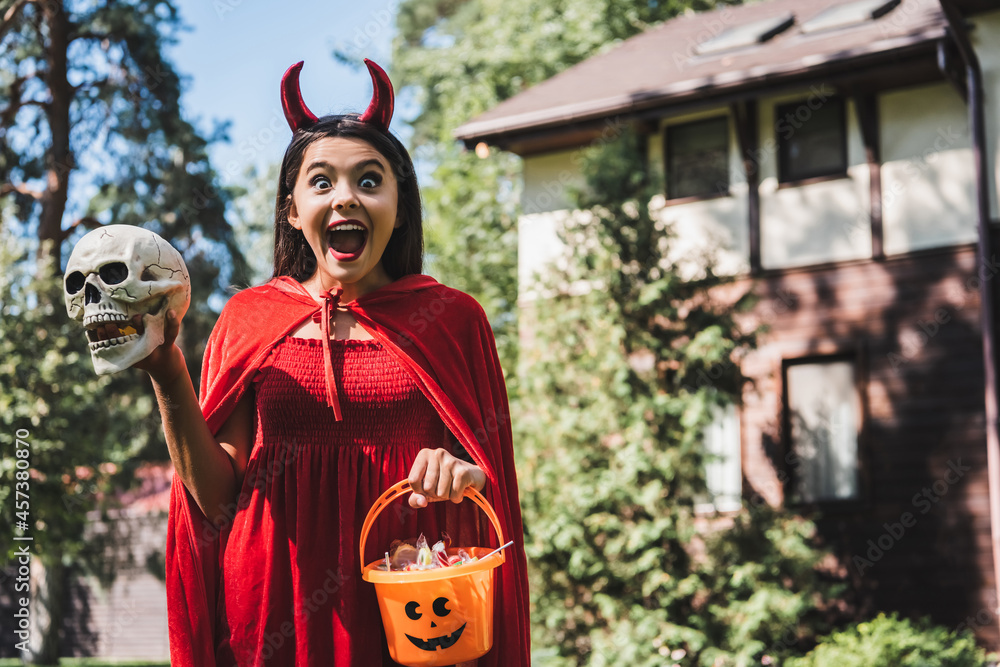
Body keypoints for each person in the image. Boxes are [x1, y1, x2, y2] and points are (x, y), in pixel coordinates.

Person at [137, 59, 530, 666]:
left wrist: (465, 473)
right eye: (321, 182)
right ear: (292, 210)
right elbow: (216, 502)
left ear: (399, 205)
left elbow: (489, 483)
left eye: (369, 181)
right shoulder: (250, 318)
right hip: (271, 612)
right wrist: (166, 368)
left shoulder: (453, 320)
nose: (345, 196)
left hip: (411, 611)